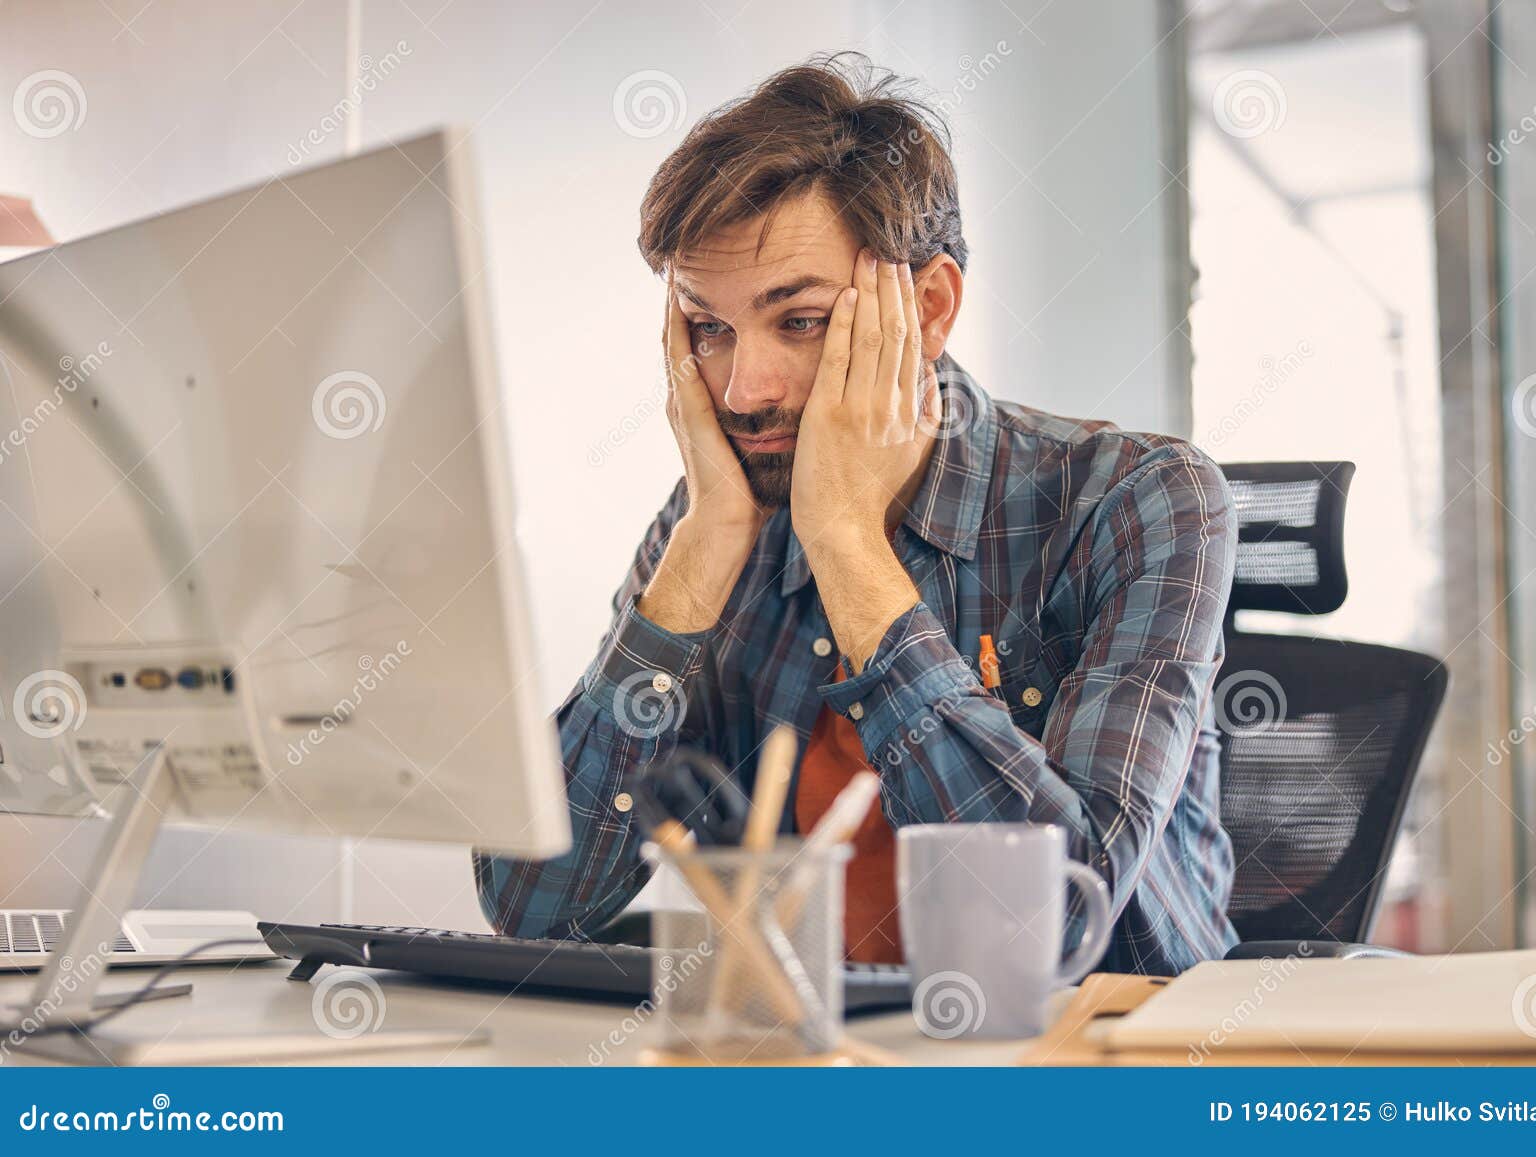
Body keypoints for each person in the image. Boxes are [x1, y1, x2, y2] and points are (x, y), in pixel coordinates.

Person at [476, 53, 1238, 974]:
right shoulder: (719, 519)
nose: (743, 389)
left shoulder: (1138, 500)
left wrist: (845, 540)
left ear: (927, 306)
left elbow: (1050, 935)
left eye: (797, 321)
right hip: (825, 1062)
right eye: (708, 329)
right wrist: (700, 554)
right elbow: (528, 904)